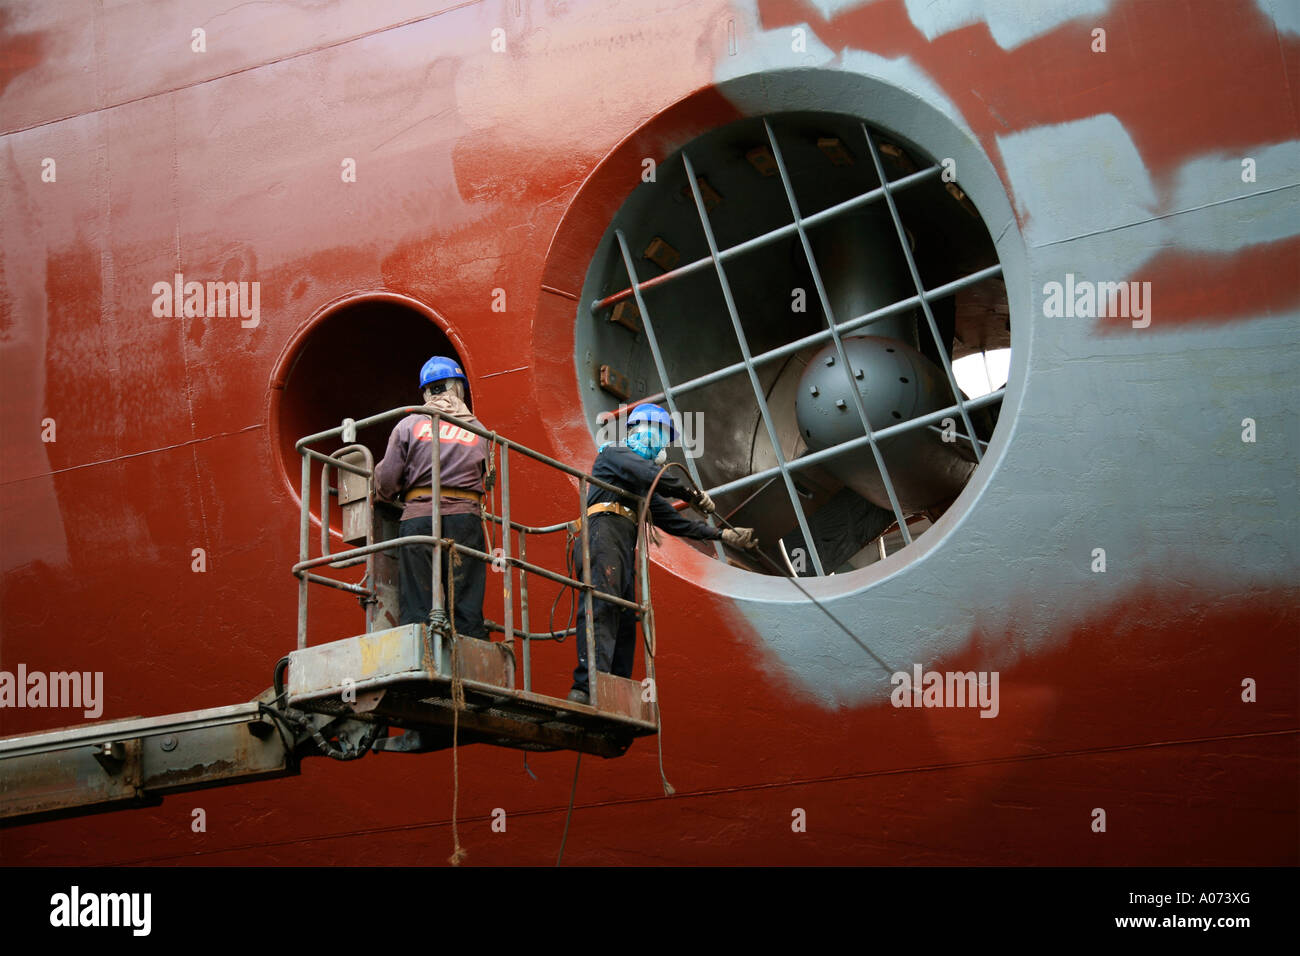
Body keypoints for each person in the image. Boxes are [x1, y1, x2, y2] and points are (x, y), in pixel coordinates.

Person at [568, 403, 757, 704]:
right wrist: (692, 495)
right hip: (602, 534)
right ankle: (586, 687)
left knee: (626, 618)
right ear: (639, 430)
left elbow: (674, 522)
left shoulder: (641, 486)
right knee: (602, 605)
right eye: (659, 437)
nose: (660, 447)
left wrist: (723, 535)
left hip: (620, 545)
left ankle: (614, 689)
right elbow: (647, 472)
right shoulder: (613, 455)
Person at [375, 356, 490, 639]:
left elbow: (387, 479)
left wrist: (383, 495)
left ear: (426, 392)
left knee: (417, 601)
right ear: (458, 388)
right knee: (466, 600)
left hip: (419, 519)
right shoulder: (479, 431)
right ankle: (469, 650)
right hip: (466, 520)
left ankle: (421, 652)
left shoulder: (408, 424)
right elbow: (486, 480)